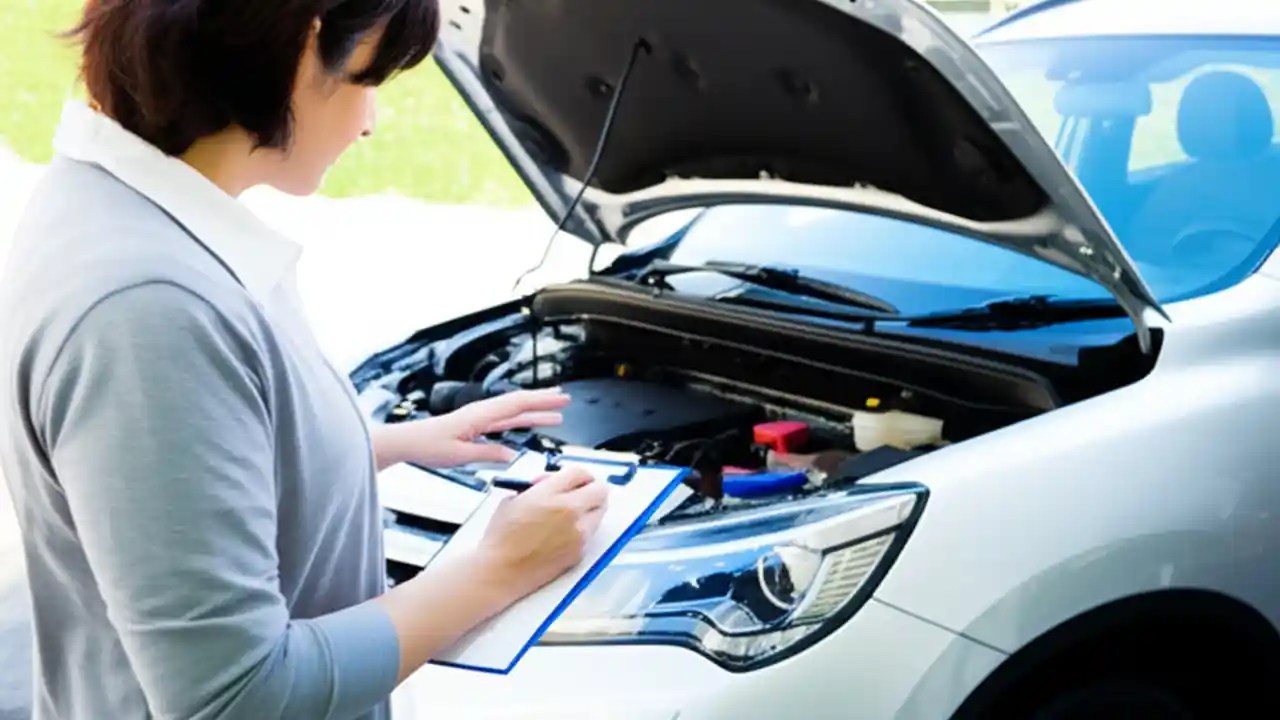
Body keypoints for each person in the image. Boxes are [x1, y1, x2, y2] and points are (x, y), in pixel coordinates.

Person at [0, 1, 608, 718]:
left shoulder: (113, 207)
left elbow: (171, 477)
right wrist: (499, 568)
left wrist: (380, 444)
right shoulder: (148, 308)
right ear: (299, 49)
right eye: (365, 78)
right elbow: (238, 696)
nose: (369, 121)